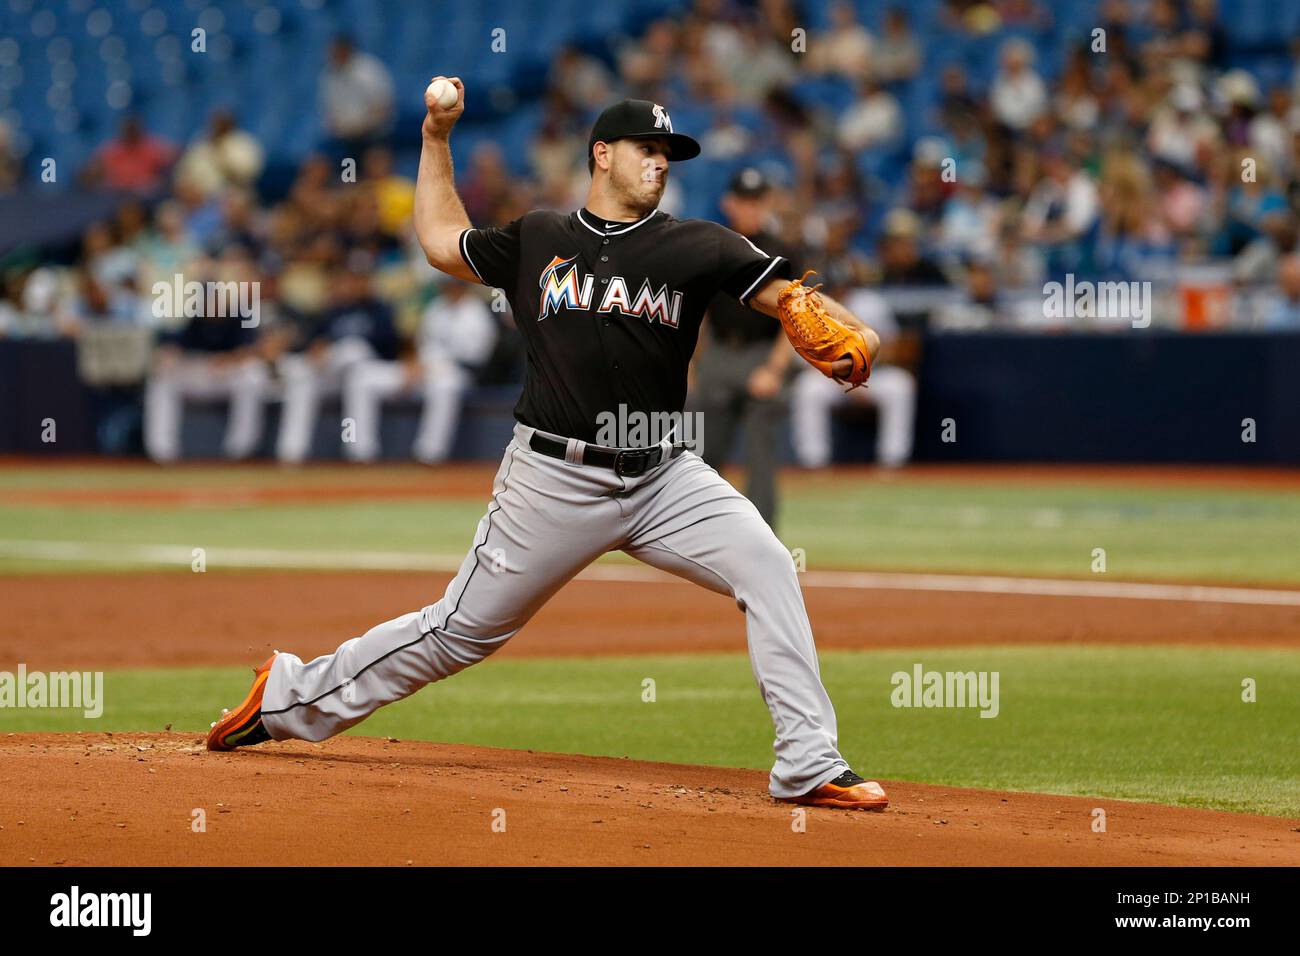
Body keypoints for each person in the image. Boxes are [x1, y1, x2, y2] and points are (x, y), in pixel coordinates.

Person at [206, 89, 889, 812]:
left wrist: (856, 331)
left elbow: (791, 296)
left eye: (667, 153)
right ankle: (286, 695)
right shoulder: (537, 237)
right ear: (602, 154)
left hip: (664, 475)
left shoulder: (698, 245)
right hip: (552, 480)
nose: (660, 162)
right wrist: (436, 137)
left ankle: (809, 762)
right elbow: (441, 242)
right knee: (457, 632)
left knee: (769, 566)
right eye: (646, 149)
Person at [688, 168, 800, 528]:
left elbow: (796, 320)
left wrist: (775, 368)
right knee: (703, 456)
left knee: (761, 456)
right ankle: (698, 533)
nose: (750, 209)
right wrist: (690, 367)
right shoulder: (713, 249)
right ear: (729, 203)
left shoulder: (782, 253)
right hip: (719, 354)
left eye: (757, 201)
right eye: (744, 201)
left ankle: (761, 537)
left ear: (767, 203)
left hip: (761, 354)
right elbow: (696, 315)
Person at [342, 278, 498, 463]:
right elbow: (422, 345)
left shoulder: (476, 313)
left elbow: (475, 359)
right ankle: (360, 452)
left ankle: (429, 454)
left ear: (463, 286)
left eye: (453, 285)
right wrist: (413, 364)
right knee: (362, 377)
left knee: (444, 387)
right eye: (445, 285)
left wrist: (431, 366)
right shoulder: (436, 307)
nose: (448, 288)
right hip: (423, 370)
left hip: (457, 373)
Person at [272, 264, 400, 464]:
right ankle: (291, 453)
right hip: (332, 373)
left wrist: (326, 352)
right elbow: (315, 339)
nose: (355, 285)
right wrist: (319, 348)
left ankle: (360, 452)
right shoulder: (335, 310)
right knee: (304, 384)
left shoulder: (380, 309)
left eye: (360, 280)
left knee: (353, 349)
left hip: (371, 369)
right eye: (352, 279)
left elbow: (387, 345)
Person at [791, 286, 916, 468]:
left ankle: (893, 461)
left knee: (900, 385)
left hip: (871, 375)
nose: (837, 288)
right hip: (830, 378)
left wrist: (861, 373)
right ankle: (813, 463)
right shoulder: (807, 304)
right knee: (808, 387)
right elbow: (803, 357)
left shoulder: (870, 303)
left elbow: (891, 345)